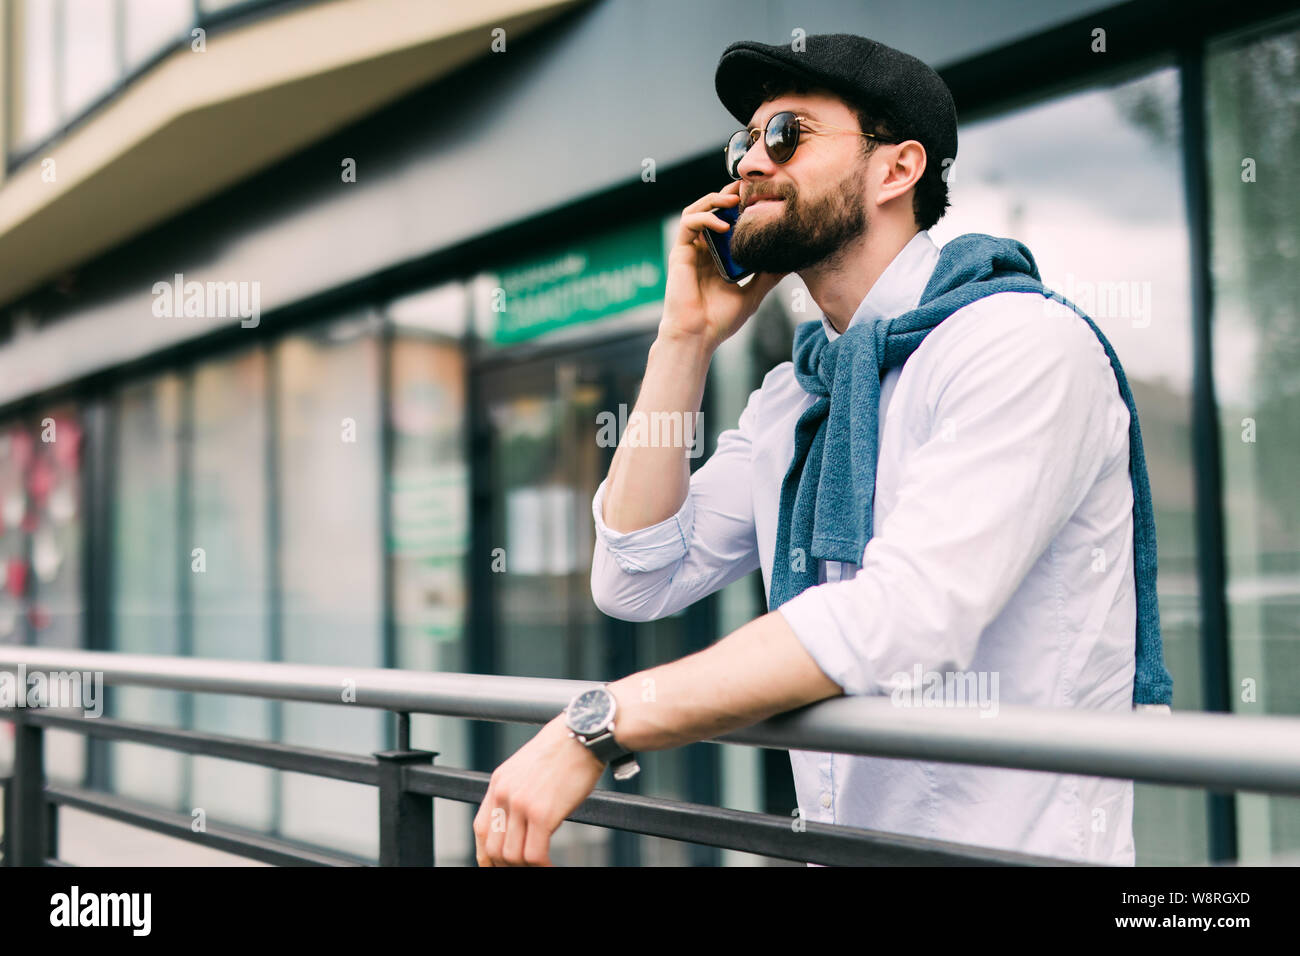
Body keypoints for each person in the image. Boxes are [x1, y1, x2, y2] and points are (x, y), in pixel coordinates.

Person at [472, 32, 1173, 867]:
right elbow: (637, 575)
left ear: (895, 169)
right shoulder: (800, 396)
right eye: (744, 142)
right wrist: (683, 340)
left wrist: (601, 725)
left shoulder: (1018, 344)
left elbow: (904, 616)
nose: (748, 166)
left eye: (786, 135)